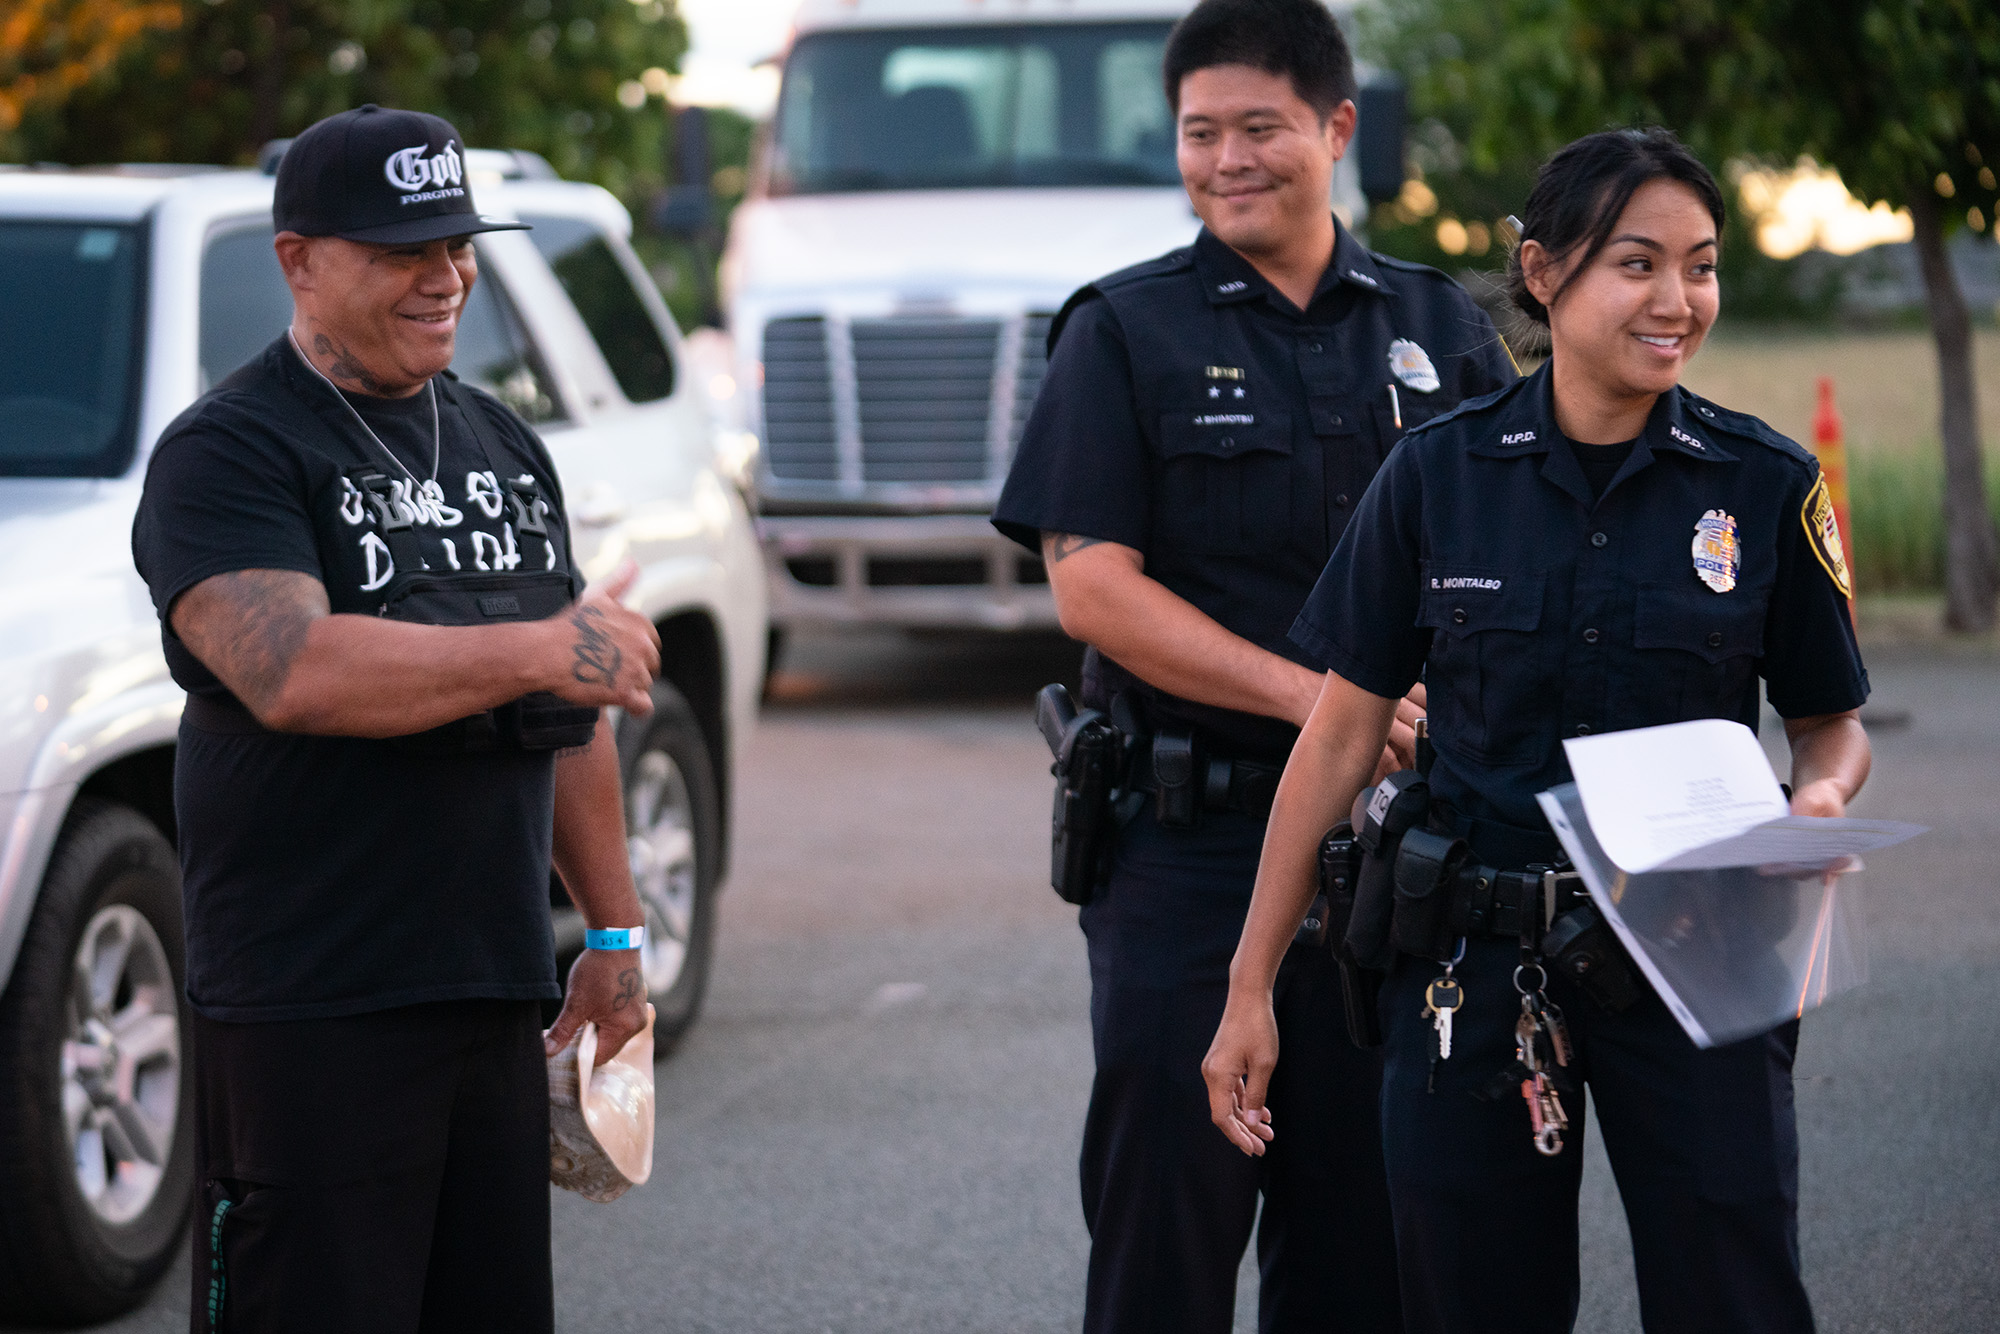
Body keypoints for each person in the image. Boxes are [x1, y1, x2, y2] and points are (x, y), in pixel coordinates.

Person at [1202, 127, 1873, 1334]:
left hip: (1696, 950)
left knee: (1733, 1288)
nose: (1676, 300)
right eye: (1636, 263)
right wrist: (1248, 983)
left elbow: (1828, 727)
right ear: (1541, 271)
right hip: (1471, 965)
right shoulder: (1435, 477)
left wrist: (1816, 801)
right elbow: (1339, 739)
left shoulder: (1763, 484)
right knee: (1471, 1300)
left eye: (1701, 265)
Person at [991, 1, 1515, 1327]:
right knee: (1169, 1228)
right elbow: (1092, 586)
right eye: (1199, 132)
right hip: (1191, 853)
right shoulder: (1124, 330)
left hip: (1392, 861)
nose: (1228, 158)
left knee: (1361, 1248)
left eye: (1259, 128)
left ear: (1338, 129)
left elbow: (1515, 544)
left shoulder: (1437, 326)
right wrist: (1315, 699)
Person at [131, 105, 662, 1333]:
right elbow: (293, 671)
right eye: (400, 250)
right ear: (297, 260)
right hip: (310, 1005)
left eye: (457, 244)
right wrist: (546, 641)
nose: (445, 277)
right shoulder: (230, 451)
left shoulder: (500, 443)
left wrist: (617, 940)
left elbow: (572, 707)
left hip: (487, 989)